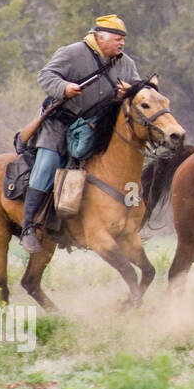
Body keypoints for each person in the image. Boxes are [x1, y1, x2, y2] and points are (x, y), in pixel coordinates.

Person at [23, 15, 141, 253]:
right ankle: (28, 227)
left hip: (97, 127)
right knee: (47, 164)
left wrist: (130, 91)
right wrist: (64, 88)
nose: (122, 44)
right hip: (60, 123)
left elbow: (140, 89)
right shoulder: (72, 53)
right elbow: (45, 76)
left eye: (123, 40)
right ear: (100, 37)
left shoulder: (125, 63)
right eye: (117, 39)